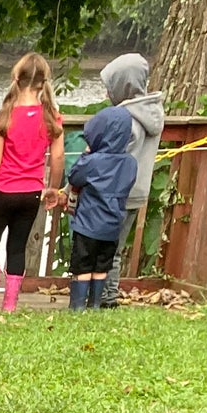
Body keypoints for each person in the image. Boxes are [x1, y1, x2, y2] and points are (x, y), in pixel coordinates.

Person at [0, 52, 63, 315]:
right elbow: (57, 157)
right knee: (17, 247)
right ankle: (10, 304)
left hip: (2, 191)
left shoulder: (5, 116)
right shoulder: (52, 117)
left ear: (16, 78)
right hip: (31, 192)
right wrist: (53, 188)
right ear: (43, 82)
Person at [98, 52, 164, 305]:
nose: (106, 93)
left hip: (116, 192)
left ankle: (107, 295)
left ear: (122, 85)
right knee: (114, 246)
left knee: (108, 246)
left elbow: (113, 156)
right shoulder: (151, 112)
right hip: (137, 191)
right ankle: (107, 293)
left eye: (110, 86)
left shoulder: (126, 119)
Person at [63, 105, 137, 311]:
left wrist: (86, 155)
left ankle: (77, 307)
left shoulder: (93, 161)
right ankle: (95, 305)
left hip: (87, 225)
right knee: (101, 266)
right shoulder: (130, 163)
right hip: (112, 226)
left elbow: (74, 176)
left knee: (83, 266)